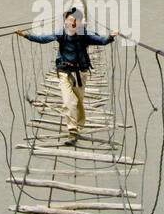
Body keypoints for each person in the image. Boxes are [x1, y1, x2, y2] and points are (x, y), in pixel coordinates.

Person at [17, 8, 118, 143]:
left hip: (81, 72)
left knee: (79, 101)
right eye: (71, 19)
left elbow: (101, 40)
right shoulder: (61, 33)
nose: (73, 22)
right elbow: (44, 39)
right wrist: (26, 35)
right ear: (66, 21)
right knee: (69, 102)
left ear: (81, 22)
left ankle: (79, 125)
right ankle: (72, 131)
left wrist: (110, 37)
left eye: (76, 20)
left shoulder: (84, 35)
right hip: (64, 72)